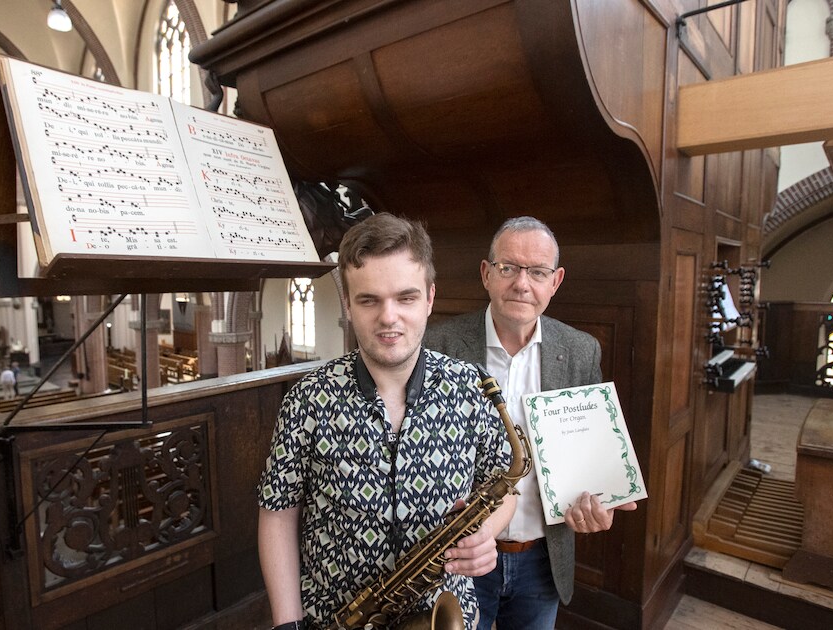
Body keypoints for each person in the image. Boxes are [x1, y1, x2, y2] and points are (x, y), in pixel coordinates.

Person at [258, 213, 516, 630]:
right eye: (369, 299)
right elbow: (278, 513)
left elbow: (503, 488)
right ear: (347, 303)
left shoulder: (473, 387)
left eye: (406, 297)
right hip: (334, 618)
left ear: (430, 298)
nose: (389, 317)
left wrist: (485, 533)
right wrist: (288, 624)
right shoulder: (306, 398)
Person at [425, 217, 638, 630]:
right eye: (509, 268)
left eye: (537, 272)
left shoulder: (580, 351)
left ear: (555, 282)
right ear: (487, 274)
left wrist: (601, 501)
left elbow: (590, 453)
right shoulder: (440, 345)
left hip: (542, 559)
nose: (523, 284)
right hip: (460, 556)